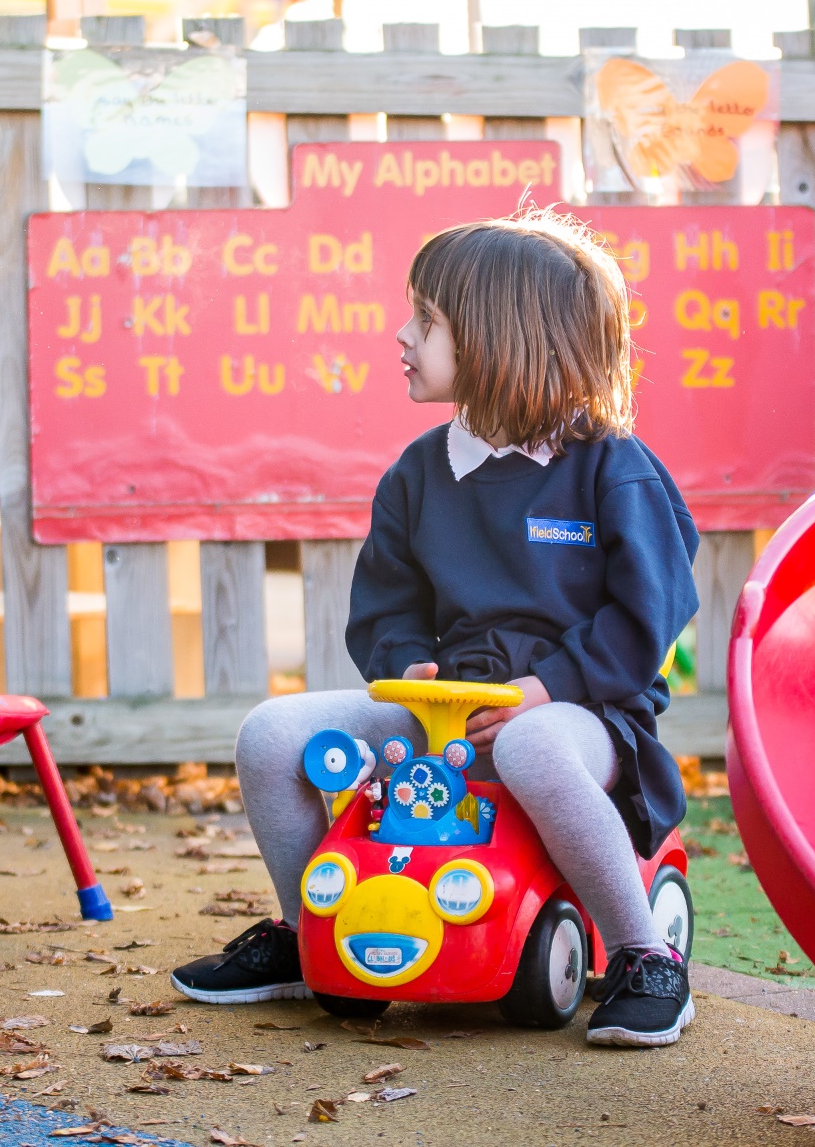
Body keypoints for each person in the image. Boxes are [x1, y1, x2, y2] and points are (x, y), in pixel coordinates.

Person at [169, 214, 701, 1047]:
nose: (401, 335)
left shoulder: (611, 468)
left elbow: (650, 616)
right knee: (273, 733)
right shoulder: (419, 473)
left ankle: (642, 956)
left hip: (584, 715)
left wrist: (545, 688)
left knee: (531, 749)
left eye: (426, 321)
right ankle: (300, 929)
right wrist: (408, 667)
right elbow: (385, 608)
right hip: (442, 713)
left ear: (499, 339)